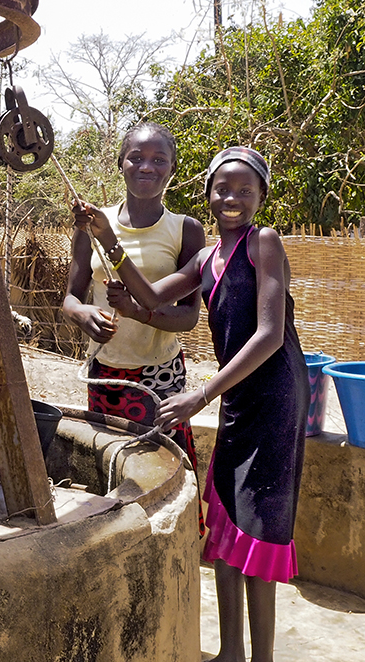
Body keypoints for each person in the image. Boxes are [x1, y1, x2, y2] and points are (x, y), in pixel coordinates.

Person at [75, 146, 308, 662]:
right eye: (222, 188)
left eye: (245, 190)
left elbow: (269, 336)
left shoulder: (263, 243)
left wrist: (201, 394)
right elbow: (152, 297)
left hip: (273, 398)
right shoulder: (205, 260)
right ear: (207, 193)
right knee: (225, 512)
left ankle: (261, 658)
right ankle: (229, 652)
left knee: (259, 521)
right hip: (239, 397)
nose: (232, 198)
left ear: (261, 197)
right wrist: (110, 242)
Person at [62, 122, 206, 501]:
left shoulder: (185, 230)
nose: (147, 167)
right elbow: (70, 298)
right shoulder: (91, 224)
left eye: (159, 160)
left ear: (172, 169)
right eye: (136, 157)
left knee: (163, 472)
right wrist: (82, 316)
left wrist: (140, 312)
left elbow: (189, 318)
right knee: (114, 466)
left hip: (159, 372)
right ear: (120, 163)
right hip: (105, 371)